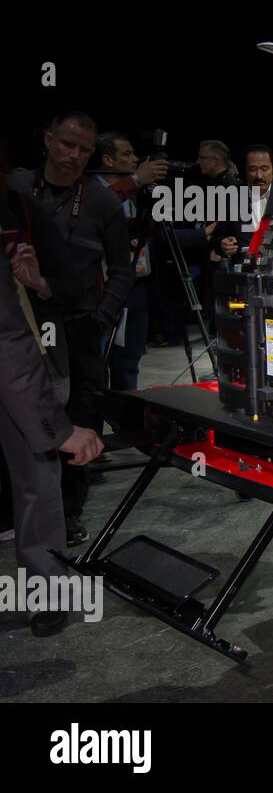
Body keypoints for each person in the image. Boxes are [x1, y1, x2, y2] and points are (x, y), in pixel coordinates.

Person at [8, 111, 130, 545]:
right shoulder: (19, 188)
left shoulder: (102, 201)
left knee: (80, 419)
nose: (74, 156)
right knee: (22, 417)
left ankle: (69, 514)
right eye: (66, 144)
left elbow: (121, 269)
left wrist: (102, 317)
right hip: (20, 326)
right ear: (47, 140)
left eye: (83, 150)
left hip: (77, 326)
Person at [1, 156, 104, 637]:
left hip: (31, 364)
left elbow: (71, 288)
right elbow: (6, 339)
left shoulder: (21, 207)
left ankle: (46, 592)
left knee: (36, 480)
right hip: (18, 369)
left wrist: (38, 282)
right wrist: (59, 428)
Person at [92, 132, 161, 390]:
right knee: (97, 364)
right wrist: (135, 180)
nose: (135, 159)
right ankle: (94, 425)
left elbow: (152, 231)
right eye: (127, 154)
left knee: (129, 362)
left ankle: (128, 424)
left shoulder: (136, 193)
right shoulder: (92, 190)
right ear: (107, 160)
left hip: (137, 285)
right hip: (103, 288)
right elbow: (100, 210)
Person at [213, 144, 273, 265]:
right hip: (242, 275)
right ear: (245, 170)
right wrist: (223, 245)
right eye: (253, 169)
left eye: (264, 169)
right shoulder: (231, 196)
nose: (259, 176)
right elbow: (217, 237)